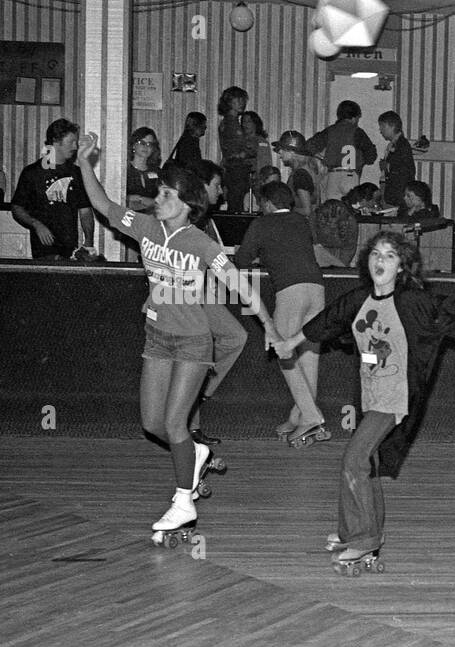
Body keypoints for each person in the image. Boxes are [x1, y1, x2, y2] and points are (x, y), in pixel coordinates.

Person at [74, 134, 278, 543]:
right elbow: (103, 205)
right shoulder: (146, 227)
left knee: (174, 422)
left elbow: (239, 284)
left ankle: (183, 501)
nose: (159, 196)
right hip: (157, 338)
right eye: (160, 190)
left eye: (167, 193)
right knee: (153, 424)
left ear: (186, 204)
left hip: (193, 342)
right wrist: (83, 163)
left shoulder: (200, 242)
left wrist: (270, 327)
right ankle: (197, 455)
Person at [274, 232, 455, 572]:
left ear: (401, 265)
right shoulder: (359, 299)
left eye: (388, 255)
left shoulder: (412, 300)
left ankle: (363, 540)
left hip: (397, 395)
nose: (379, 260)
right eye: (374, 253)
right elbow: (327, 322)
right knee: (366, 462)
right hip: (370, 394)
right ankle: (359, 533)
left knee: (354, 458)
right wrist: (290, 343)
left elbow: (446, 306)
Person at [234, 180, 329, 447]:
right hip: (317, 288)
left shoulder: (261, 224)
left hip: (290, 291)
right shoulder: (302, 222)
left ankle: (311, 416)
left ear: (266, 203)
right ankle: (298, 416)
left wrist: (257, 257)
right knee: (308, 356)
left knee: (283, 351)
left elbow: (241, 261)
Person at [189, 159, 250, 447]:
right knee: (208, 348)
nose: (222, 192)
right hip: (188, 297)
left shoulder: (206, 221)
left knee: (234, 337)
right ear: (202, 187)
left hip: (204, 295)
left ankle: (198, 394)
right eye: (216, 186)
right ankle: (191, 419)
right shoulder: (188, 219)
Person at [11, 118, 94, 260]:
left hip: (70, 249)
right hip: (43, 250)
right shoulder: (32, 172)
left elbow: (85, 211)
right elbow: (17, 208)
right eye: (71, 142)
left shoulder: (77, 173)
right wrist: (36, 224)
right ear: (56, 142)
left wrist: (89, 242)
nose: (75, 146)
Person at [307, 100, 378, 203]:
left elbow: (309, 146)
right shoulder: (357, 132)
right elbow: (371, 156)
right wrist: (361, 160)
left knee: (332, 209)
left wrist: (323, 158)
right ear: (353, 118)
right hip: (350, 176)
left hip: (332, 176)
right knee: (351, 208)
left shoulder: (330, 131)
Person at [217, 86, 257, 212]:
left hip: (232, 170)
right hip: (237, 170)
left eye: (242, 100)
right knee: (237, 206)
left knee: (235, 204)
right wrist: (249, 150)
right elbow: (242, 151)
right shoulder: (232, 124)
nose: (241, 103)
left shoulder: (228, 122)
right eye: (237, 100)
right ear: (228, 102)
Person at [273, 131, 323, 216]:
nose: (280, 152)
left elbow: (307, 211)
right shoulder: (306, 170)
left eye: (283, 149)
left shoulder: (300, 175)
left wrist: (286, 210)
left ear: (292, 152)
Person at [378, 110, 414, 211]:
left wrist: (387, 166)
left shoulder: (402, 145)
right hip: (392, 194)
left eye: (383, 126)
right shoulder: (392, 145)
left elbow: (406, 171)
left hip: (398, 195)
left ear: (392, 126)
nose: (380, 130)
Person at [126, 127, 162, 213]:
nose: (146, 146)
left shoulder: (157, 172)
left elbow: (162, 198)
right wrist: (140, 199)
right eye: (142, 143)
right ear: (134, 145)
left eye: (150, 144)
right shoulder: (124, 170)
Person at [241, 111, 274, 179]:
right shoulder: (239, 141)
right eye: (244, 121)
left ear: (255, 123)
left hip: (256, 179)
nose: (245, 124)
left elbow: (264, 163)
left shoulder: (261, 142)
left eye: (249, 121)